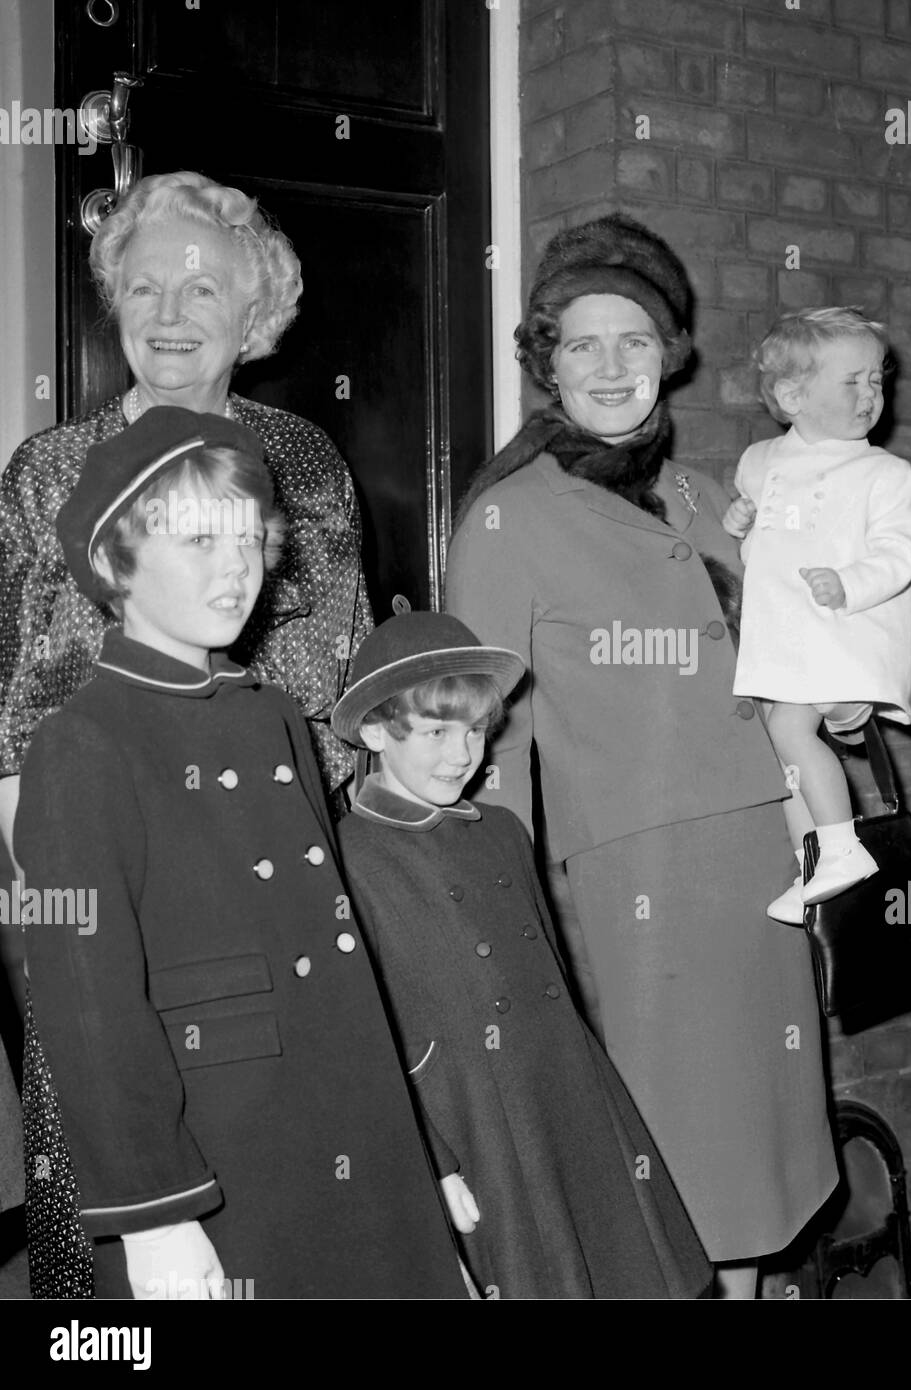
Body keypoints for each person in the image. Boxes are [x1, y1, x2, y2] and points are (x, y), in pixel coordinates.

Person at [446, 213, 838, 1299]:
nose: (612, 367)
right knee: (665, 1197)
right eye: (582, 343)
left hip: (759, 881)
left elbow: (782, 667)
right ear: (547, 364)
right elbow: (484, 747)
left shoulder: (714, 501)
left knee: (751, 1195)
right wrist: (512, 943)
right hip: (629, 900)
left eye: (634, 340)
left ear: (669, 353)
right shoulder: (505, 520)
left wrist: (834, 701)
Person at [17, 409, 465, 1298]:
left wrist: (425, 1152)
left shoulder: (275, 718)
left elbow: (349, 968)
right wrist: (155, 1215)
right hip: (222, 1160)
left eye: (249, 540)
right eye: (196, 540)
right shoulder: (78, 745)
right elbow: (86, 1007)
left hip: (355, 1129)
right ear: (113, 562)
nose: (236, 568)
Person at [331, 611, 711, 1299]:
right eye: (436, 731)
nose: (461, 754)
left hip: (565, 1093)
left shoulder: (502, 831)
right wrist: (428, 1159)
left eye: (475, 730)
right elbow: (357, 1041)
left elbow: (555, 987)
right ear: (375, 731)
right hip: (470, 1118)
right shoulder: (347, 856)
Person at [0, 169, 371, 855]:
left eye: (201, 289)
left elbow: (342, 698)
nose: (167, 316)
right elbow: (6, 707)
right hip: (90, 831)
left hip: (272, 831)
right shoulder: (46, 471)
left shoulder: (304, 461)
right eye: (144, 288)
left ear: (251, 318)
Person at [724, 308, 911, 924]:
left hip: (842, 636)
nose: (870, 395)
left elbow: (900, 553)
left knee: (788, 732)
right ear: (792, 395)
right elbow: (766, 557)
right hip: (788, 637)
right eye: (852, 382)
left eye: (876, 380)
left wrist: (847, 584)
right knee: (781, 747)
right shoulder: (759, 462)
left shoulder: (884, 473)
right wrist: (742, 527)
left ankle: (842, 848)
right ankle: (814, 857)